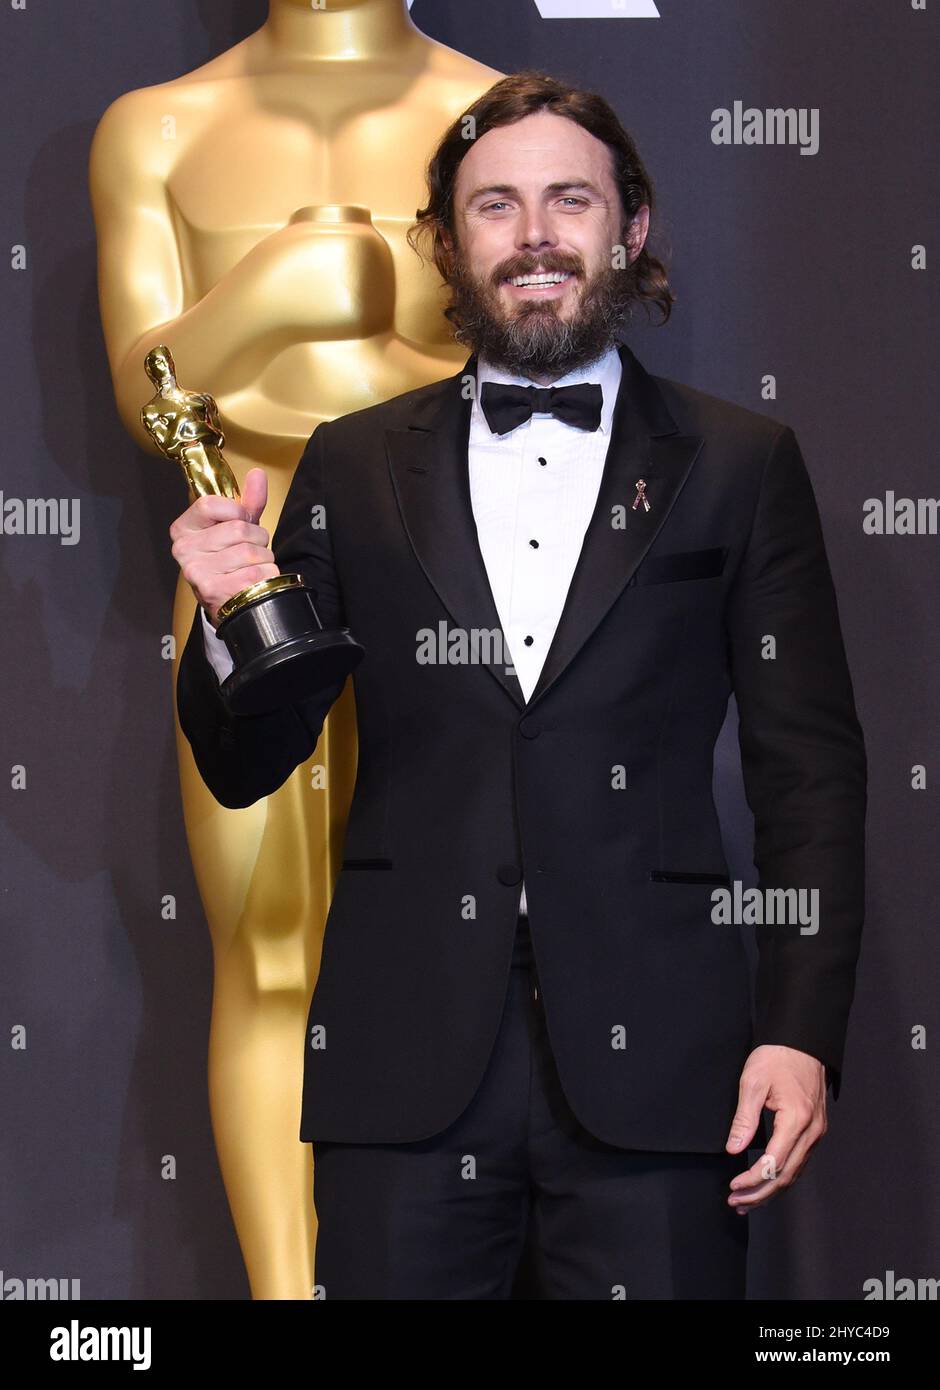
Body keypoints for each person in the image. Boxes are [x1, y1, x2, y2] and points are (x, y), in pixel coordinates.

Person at [170, 71, 867, 1299]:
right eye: (494, 206)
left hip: (667, 1077)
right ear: (444, 242)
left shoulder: (742, 463)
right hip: (405, 1070)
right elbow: (247, 759)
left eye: (568, 200)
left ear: (630, 226)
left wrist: (798, 1031)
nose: (535, 234)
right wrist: (234, 612)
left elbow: (807, 772)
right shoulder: (352, 463)